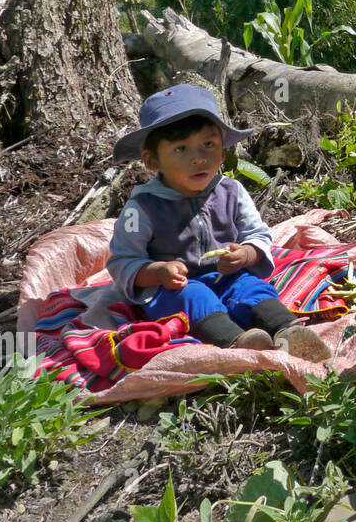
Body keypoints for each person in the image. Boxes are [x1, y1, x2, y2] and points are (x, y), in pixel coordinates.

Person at [106, 84, 332, 361]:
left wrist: (247, 253)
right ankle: (235, 342)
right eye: (180, 149)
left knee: (252, 289)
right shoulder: (141, 208)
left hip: (228, 276)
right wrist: (158, 271)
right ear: (153, 161)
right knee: (195, 298)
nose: (198, 157)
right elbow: (122, 261)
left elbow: (257, 234)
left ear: (223, 152)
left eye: (208, 145)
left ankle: (288, 331)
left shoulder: (232, 192)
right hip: (176, 286)